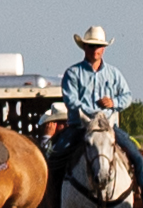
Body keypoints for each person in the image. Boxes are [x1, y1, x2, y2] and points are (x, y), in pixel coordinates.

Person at [54, 27, 133, 187]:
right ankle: (50, 198)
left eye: (99, 46)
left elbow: (127, 96)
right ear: (84, 47)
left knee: (137, 157)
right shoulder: (73, 73)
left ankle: (139, 194)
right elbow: (71, 101)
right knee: (54, 157)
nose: (95, 49)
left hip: (108, 128)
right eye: (91, 46)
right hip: (79, 127)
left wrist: (114, 102)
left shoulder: (114, 74)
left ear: (104, 49)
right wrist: (96, 114)